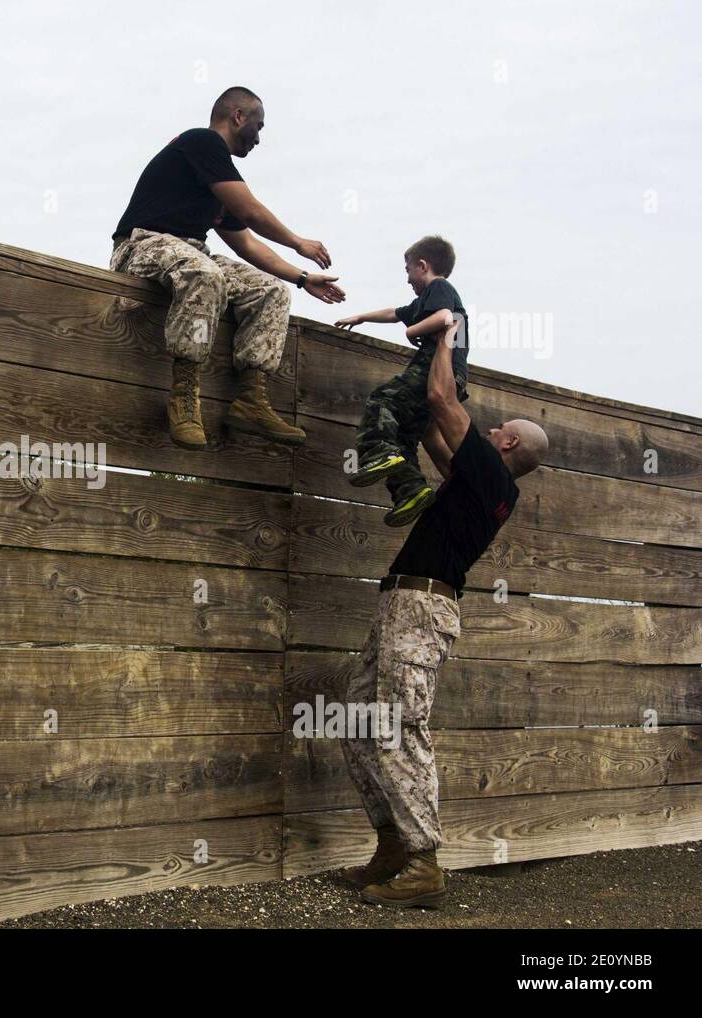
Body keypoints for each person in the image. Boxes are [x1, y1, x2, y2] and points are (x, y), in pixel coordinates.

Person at [338, 316, 549, 908]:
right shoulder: (480, 479)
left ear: (506, 445)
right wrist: (413, 415)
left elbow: (440, 396)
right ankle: (394, 846)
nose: (492, 426)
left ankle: (424, 862)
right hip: (404, 601)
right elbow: (436, 428)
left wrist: (444, 339)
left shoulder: (489, 471)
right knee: (357, 723)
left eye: (500, 427)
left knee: (402, 727)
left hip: (422, 607)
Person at [110, 86, 345, 450]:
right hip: (140, 246)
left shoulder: (217, 179)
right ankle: (185, 394)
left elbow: (247, 242)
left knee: (270, 291)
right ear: (238, 117)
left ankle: (251, 398)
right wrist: (299, 242)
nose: (259, 138)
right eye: (259, 126)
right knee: (206, 273)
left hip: (189, 252)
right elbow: (251, 210)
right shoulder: (202, 143)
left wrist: (301, 278)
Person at [336, 235, 470, 526]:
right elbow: (395, 313)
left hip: (437, 367)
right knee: (406, 436)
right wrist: (361, 317)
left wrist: (412, 333)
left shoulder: (439, 287)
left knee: (382, 401)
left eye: (408, 271)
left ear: (422, 266)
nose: (408, 279)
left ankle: (377, 451)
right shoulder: (424, 300)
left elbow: (446, 317)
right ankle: (410, 490)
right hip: (452, 377)